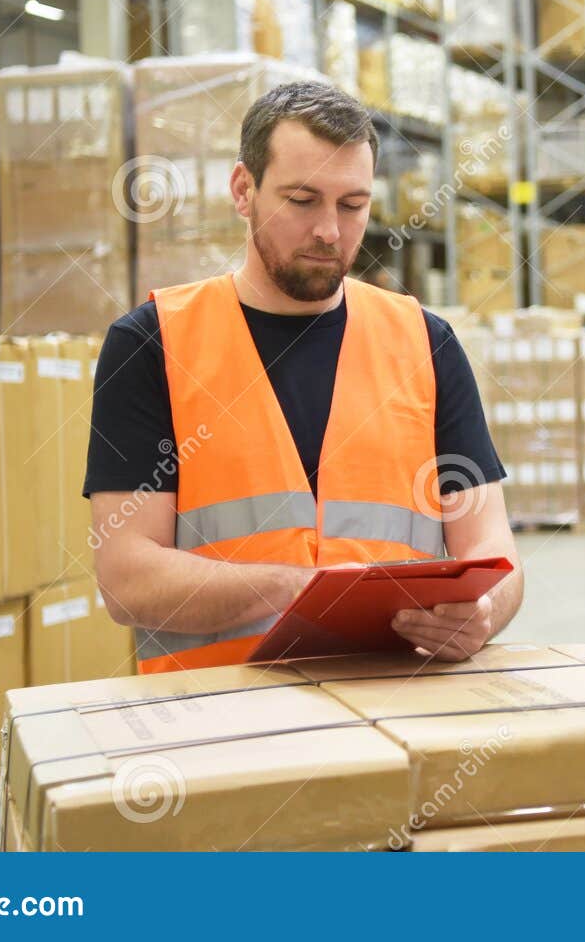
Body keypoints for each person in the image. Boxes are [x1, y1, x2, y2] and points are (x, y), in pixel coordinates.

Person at [84, 81, 521, 672]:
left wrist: (484, 613)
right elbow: (127, 577)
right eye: (302, 200)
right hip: (214, 710)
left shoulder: (424, 343)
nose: (329, 231)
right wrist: (304, 591)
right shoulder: (152, 345)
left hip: (391, 705)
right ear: (243, 190)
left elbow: (496, 554)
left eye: (352, 205)